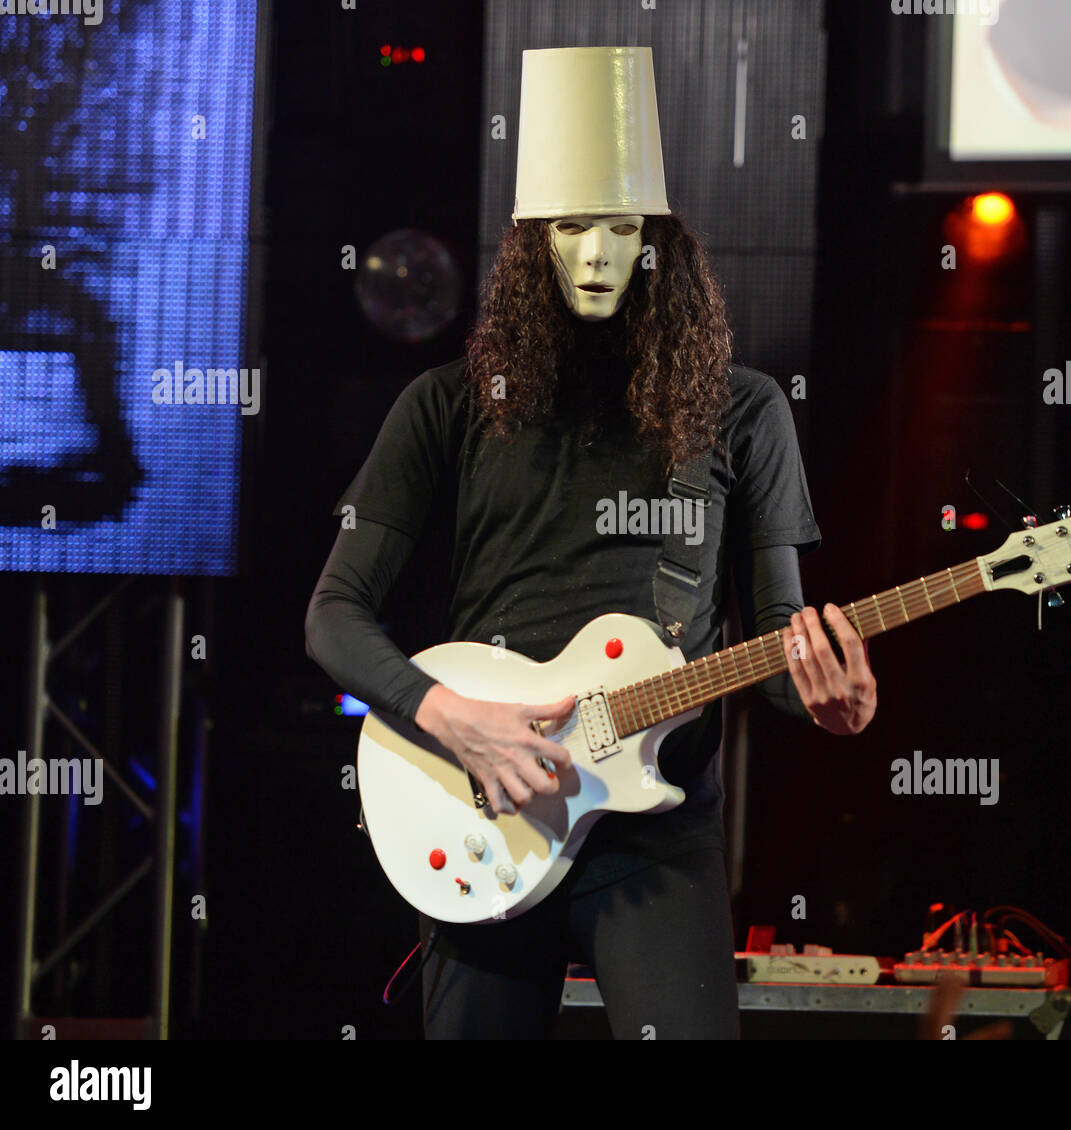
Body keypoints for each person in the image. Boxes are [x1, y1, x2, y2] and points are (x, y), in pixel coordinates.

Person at [304, 46, 876, 1039]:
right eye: (573, 229)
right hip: (484, 805)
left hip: (659, 832)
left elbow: (778, 638)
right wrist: (453, 718)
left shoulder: (743, 414)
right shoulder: (447, 406)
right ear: (531, 244)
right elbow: (333, 613)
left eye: (624, 229)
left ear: (664, 243)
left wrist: (832, 699)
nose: (601, 256)